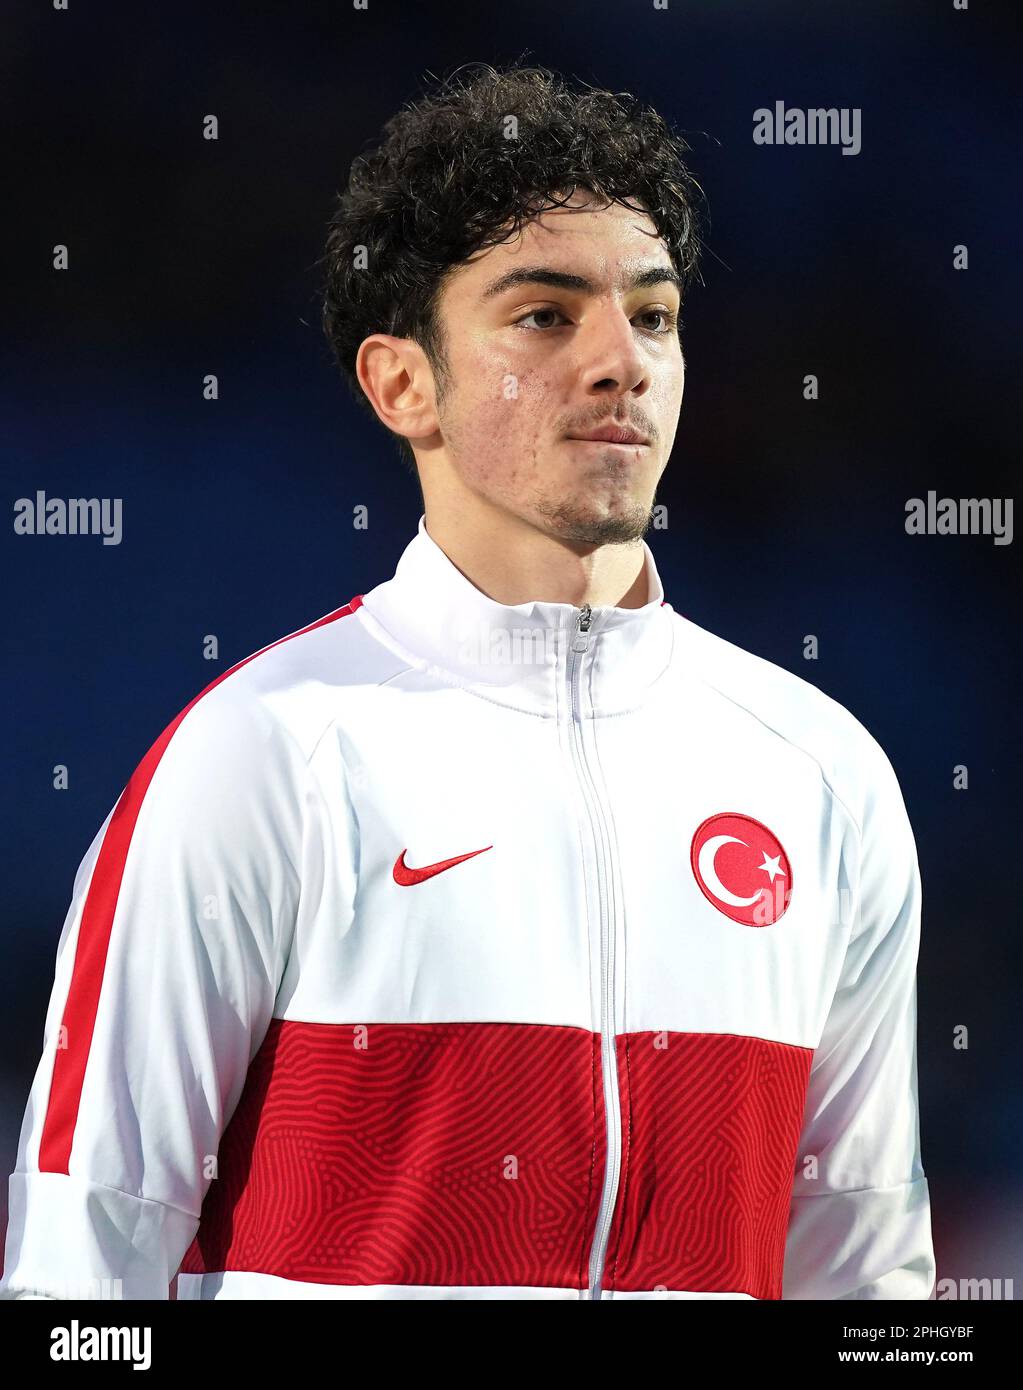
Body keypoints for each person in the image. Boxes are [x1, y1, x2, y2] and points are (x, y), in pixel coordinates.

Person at [1, 62, 934, 1301]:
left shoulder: (822, 772)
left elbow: (864, 1268)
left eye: (652, 315)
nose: (623, 361)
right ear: (403, 384)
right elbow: (83, 1264)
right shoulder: (264, 755)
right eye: (547, 315)